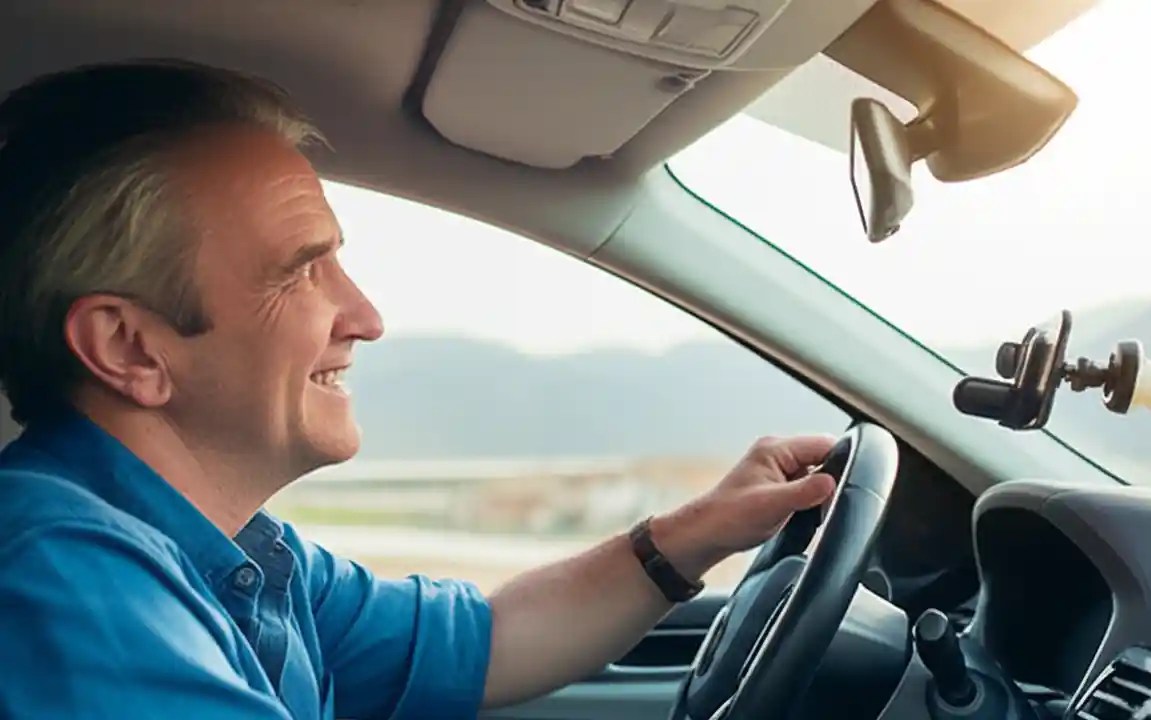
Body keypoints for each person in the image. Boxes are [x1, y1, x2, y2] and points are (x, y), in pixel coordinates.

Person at [0, 60, 838, 718]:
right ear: (129, 347)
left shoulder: (235, 554)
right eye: (301, 273)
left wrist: (700, 531)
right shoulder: (59, 578)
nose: (364, 315)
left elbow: (493, 642)